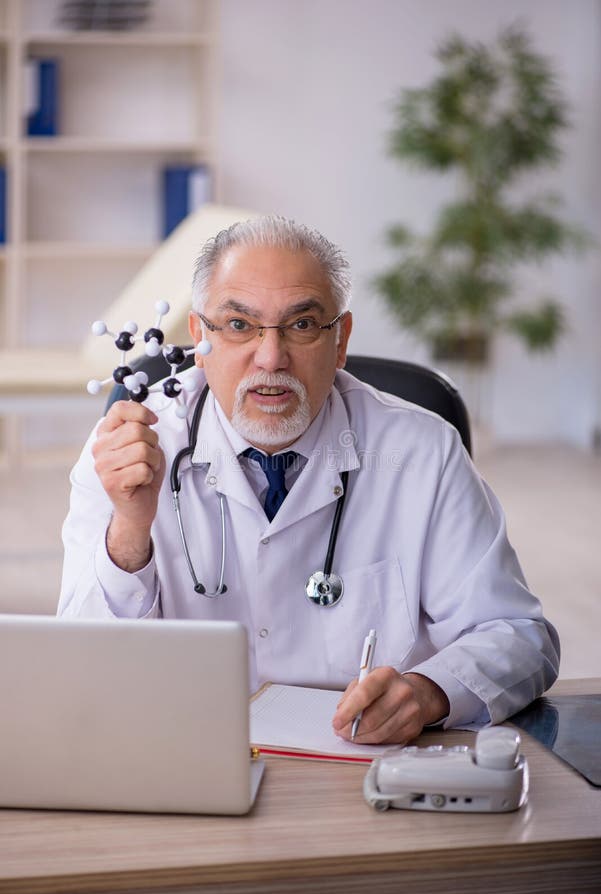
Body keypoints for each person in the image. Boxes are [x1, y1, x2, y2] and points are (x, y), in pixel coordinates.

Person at [59, 215, 560, 745]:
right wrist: (131, 532)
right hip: (184, 752)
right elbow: (77, 665)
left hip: (361, 766)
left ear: (339, 340)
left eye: (301, 325)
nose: (271, 357)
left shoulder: (421, 450)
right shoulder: (129, 444)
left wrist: (428, 691)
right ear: (201, 339)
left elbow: (520, 636)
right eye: (238, 325)